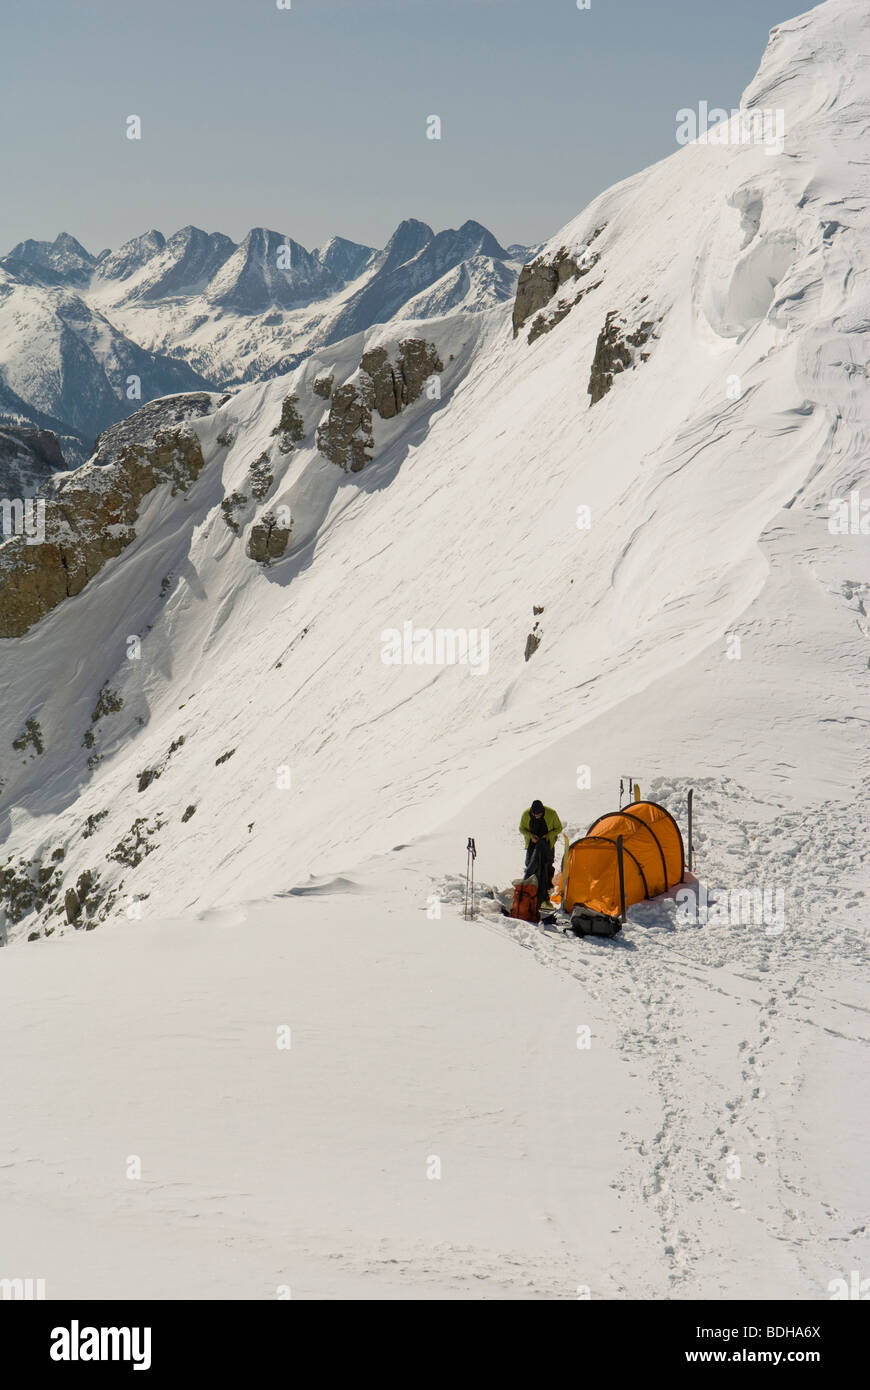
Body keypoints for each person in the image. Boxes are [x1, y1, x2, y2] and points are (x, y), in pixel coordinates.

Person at [519, 799, 563, 905]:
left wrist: (548, 836)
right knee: (530, 865)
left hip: (547, 844)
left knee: (546, 866)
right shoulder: (526, 814)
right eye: (534, 814)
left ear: (543, 811)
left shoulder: (552, 814)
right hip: (532, 844)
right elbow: (521, 829)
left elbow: (559, 828)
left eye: (539, 814)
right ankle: (530, 890)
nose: (537, 816)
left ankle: (545, 890)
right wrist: (530, 836)